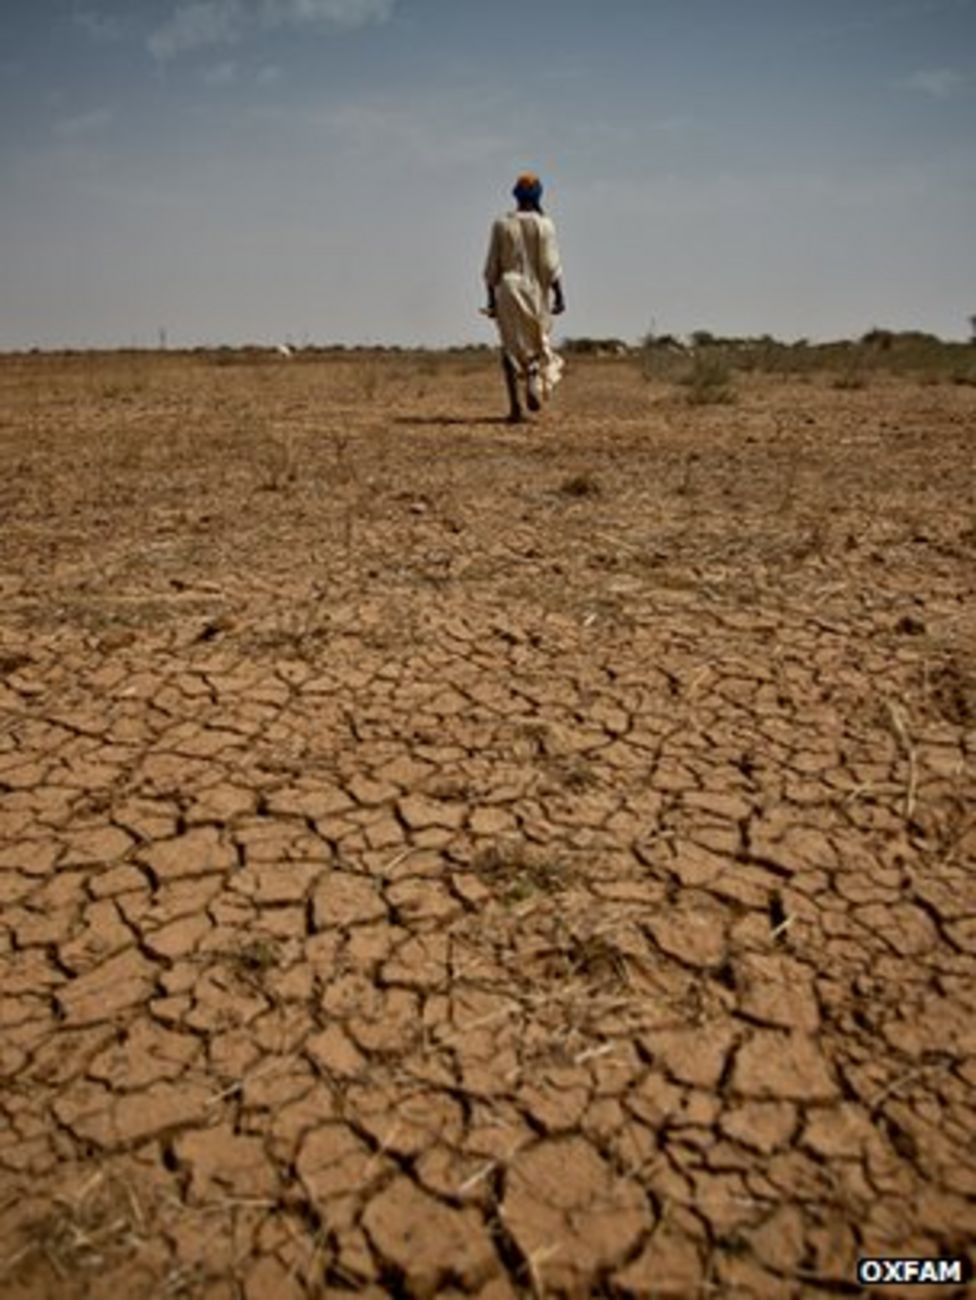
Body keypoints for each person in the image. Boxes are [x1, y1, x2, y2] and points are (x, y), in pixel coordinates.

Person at [483, 173, 566, 423]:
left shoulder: (501, 224)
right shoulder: (545, 225)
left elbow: (491, 266)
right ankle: (533, 377)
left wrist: (491, 299)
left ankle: (515, 408)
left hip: (508, 288)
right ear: (539, 195)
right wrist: (560, 295)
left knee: (509, 348)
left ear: (515, 196)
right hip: (535, 292)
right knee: (537, 343)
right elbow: (551, 266)